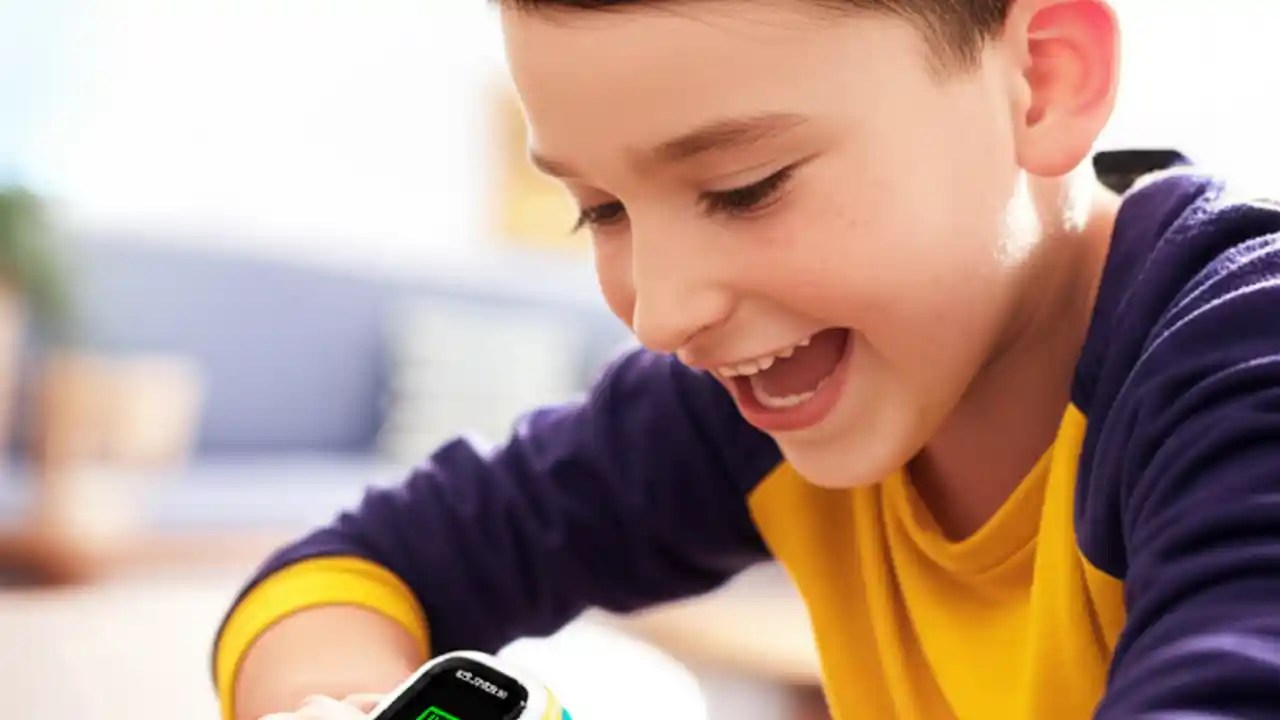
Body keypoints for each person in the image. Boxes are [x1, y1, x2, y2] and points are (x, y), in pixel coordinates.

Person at [215, 1, 1280, 718]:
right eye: (599, 209)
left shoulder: (1244, 361)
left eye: (744, 187)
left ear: (1040, 83)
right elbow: (348, 571)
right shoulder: (751, 400)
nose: (662, 315)